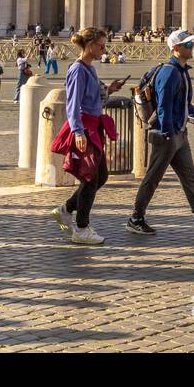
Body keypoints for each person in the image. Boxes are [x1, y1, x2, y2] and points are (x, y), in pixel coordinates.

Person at [125, 30, 194, 236]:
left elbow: (184, 103)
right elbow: (163, 107)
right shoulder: (169, 72)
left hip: (179, 134)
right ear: (175, 48)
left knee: (189, 177)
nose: (191, 48)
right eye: (187, 45)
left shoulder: (181, 70)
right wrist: (169, 134)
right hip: (167, 136)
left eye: (191, 44)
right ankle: (136, 218)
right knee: (153, 177)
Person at [50, 28, 124, 244]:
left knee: (100, 176)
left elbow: (92, 99)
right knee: (90, 178)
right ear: (89, 45)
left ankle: (65, 210)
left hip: (94, 126)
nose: (104, 49)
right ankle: (81, 229)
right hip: (84, 128)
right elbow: (72, 104)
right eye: (101, 45)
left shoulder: (90, 69)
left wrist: (109, 90)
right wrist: (78, 132)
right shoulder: (78, 70)